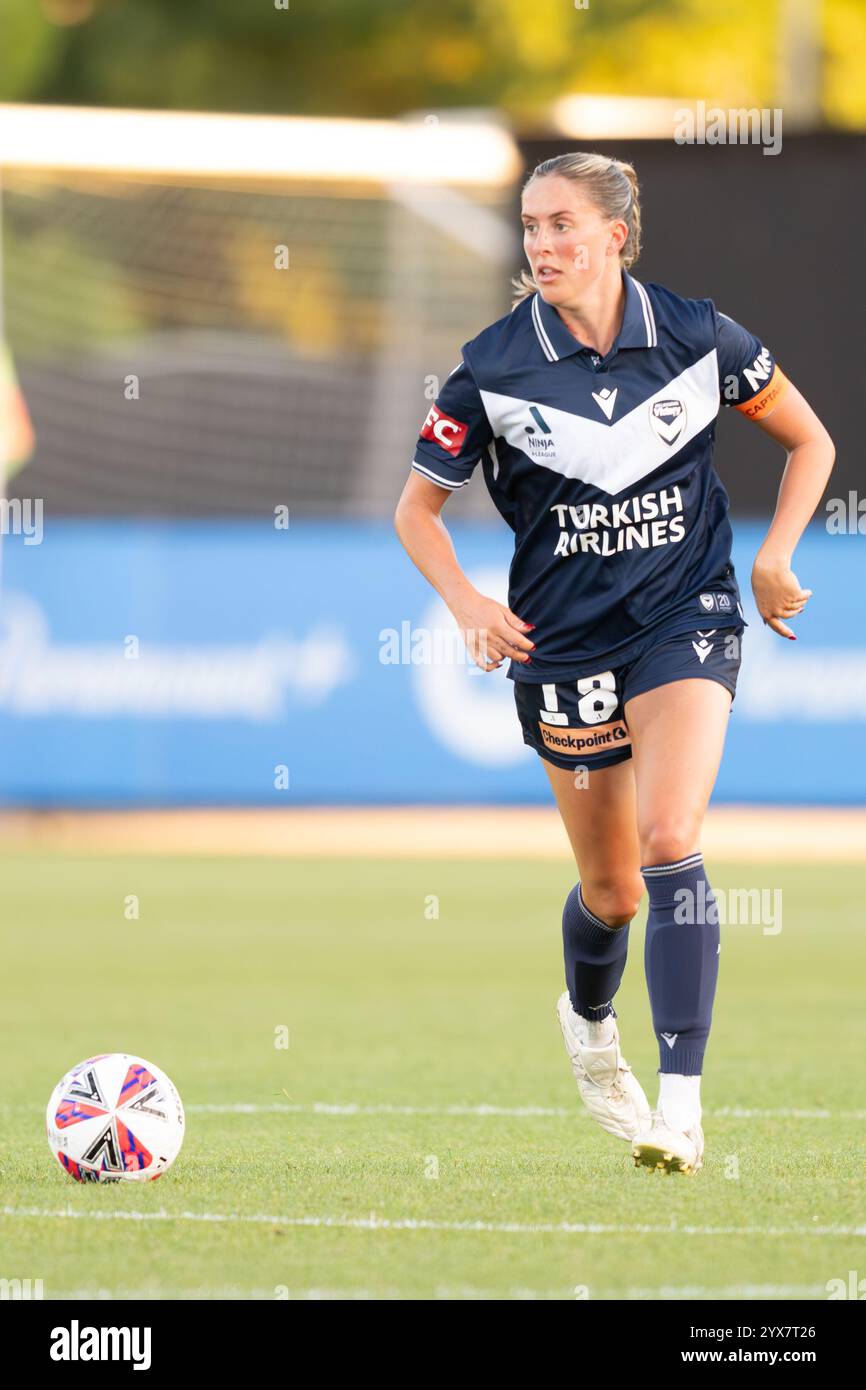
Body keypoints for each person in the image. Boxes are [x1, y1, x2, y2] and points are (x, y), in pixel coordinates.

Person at [394, 152, 835, 1174]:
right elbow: (414, 509)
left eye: (561, 225)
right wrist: (468, 602)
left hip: (686, 615)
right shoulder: (492, 365)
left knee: (670, 834)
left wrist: (772, 554)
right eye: (529, 226)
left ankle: (678, 1102)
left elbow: (805, 441)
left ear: (614, 235)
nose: (541, 244)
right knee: (613, 890)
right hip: (563, 645)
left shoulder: (694, 334)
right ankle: (590, 1029)